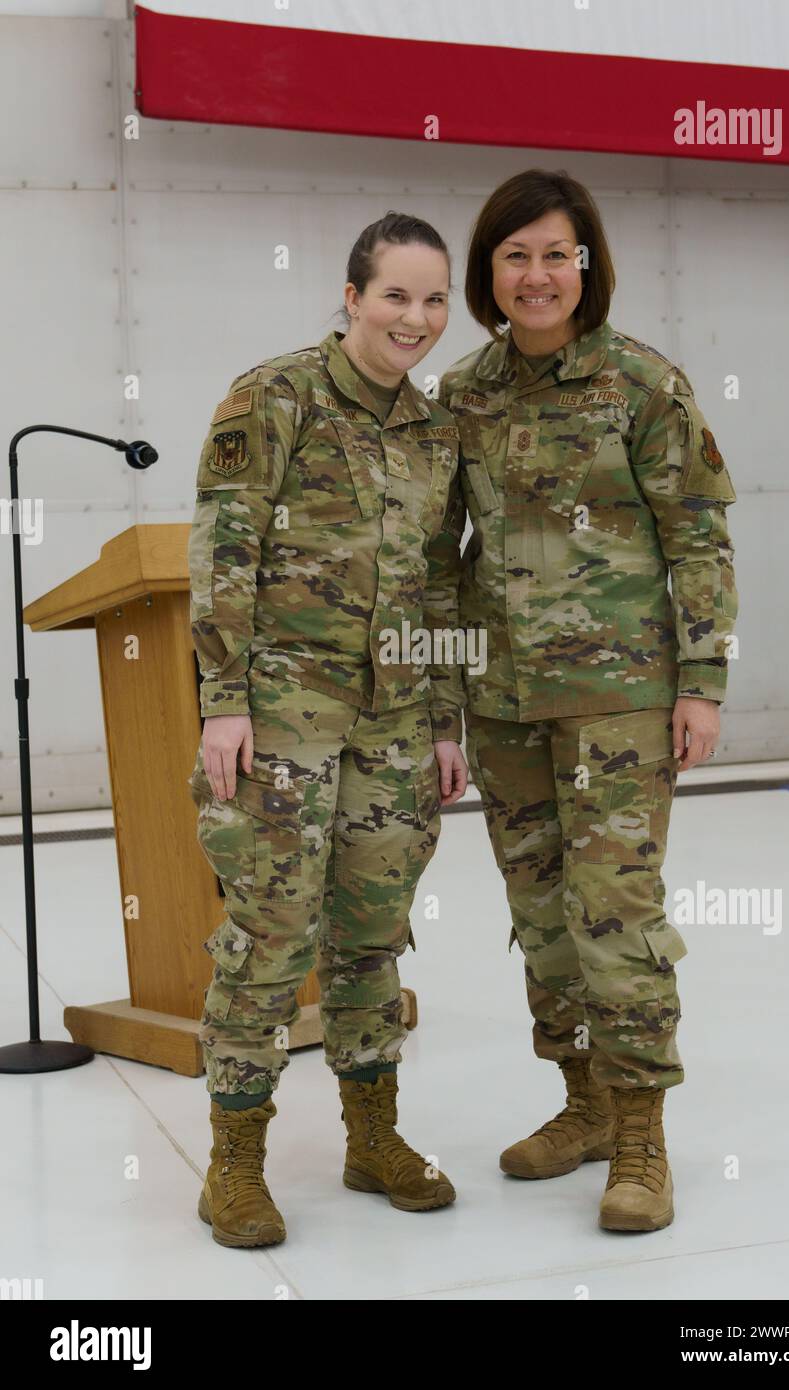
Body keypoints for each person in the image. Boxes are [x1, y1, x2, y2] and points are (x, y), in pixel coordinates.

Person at [438, 169, 738, 1233]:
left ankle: (643, 1137)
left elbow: (695, 535)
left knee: (614, 917)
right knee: (541, 918)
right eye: (513, 256)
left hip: (618, 696)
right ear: (488, 272)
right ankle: (583, 1104)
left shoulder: (638, 384)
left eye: (554, 254)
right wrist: (441, 706)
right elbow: (440, 556)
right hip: (503, 701)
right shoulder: (463, 394)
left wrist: (700, 681)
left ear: (585, 265)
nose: (535, 275)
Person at [187, 212, 469, 1248]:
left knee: (368, 936)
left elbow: (441, 580)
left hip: (394, 721)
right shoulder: (275, 395)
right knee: (267, 934)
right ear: (351, 297)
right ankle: (234, 1166)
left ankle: (371, 1137)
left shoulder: (436, 431)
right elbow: (222, 548)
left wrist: (443, 717)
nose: (414, 317)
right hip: (282, 717)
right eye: (394, 294)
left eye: (433, 298)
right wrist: (223, 698)